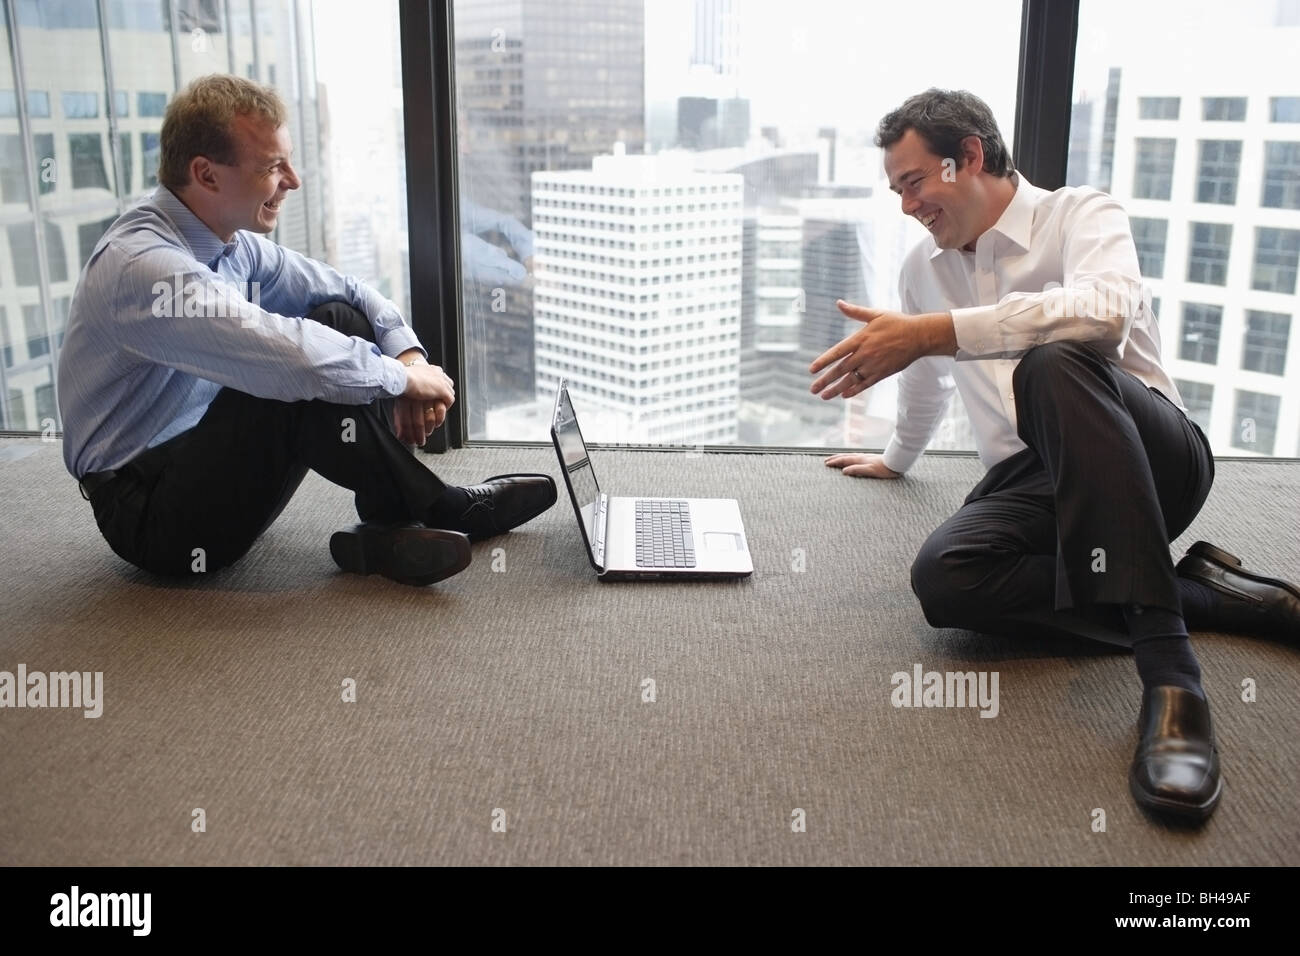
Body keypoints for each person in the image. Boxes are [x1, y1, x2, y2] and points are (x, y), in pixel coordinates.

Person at [810, 88, 1299, 824]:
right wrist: (896, 457)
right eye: (896, 190)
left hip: (1151, 456)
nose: (907, 204)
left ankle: (1173, 680)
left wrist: (938, 329)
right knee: (945, 579)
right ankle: (1199, 594)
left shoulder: (1080, 214)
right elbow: (924, 384)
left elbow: (1105, 311)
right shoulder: (925, 268)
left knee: (1054, 362)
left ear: (968, 155)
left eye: (914, 182)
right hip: (1033, 483)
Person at [58, 74, 556, 587]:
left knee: (340, 316)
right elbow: (283, 356)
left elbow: (347, 289)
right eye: (273, 167)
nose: (293, 180)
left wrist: (409, 358)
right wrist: (399, 382)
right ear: (206, 175)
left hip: (209, 454)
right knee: (289, 373)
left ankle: (387, 524)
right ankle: (444, 507)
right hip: (153, 518)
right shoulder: (144, 268)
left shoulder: (227, 241)